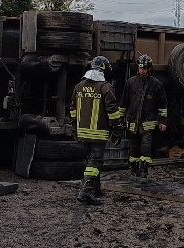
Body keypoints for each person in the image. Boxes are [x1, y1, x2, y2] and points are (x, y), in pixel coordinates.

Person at [70, 55, 123, 205]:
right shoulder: (105, 87)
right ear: (104, 70)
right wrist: (117, 129)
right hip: (98, 132)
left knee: (90, 160)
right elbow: (113, 112)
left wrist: (75, 126)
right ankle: (86, 192)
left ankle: (95, 188)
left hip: (82, 132)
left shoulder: (79, 86)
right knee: (95, 162)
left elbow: (72, 110)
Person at [120, 54, 167, 180]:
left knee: (146, 146)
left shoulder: (156, 85)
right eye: (140, 68)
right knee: (133, 146)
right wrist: (119, 119)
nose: (142, 70)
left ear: (149, 69)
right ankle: (134, 169)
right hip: (133, 121)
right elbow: (124, 102)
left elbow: (162, 104)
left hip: (148, 121)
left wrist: (163, 121)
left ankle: (144, 171)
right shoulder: (131, 82)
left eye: (144, 68)